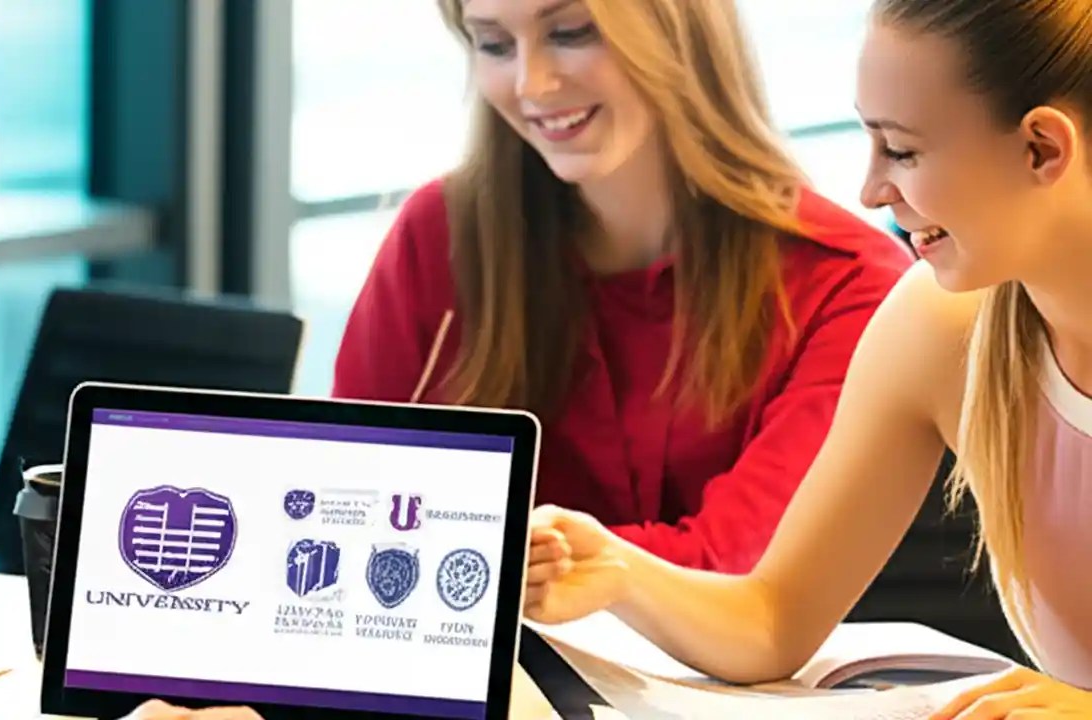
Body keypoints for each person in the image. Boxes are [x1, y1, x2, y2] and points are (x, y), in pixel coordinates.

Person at [525, 1, 1092, 717]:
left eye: (904, 151)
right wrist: (619, 572)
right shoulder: (939, 325)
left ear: (1041, 148)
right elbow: (772, 621)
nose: (871, 190)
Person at [332, 0, 911, 573]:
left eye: (572, 32)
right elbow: (339, 511)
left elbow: (738, 572)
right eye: (494, 44)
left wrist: (481, 561)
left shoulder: (848, 283)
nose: (531, 84)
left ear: (680, 28)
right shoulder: (440, 238)